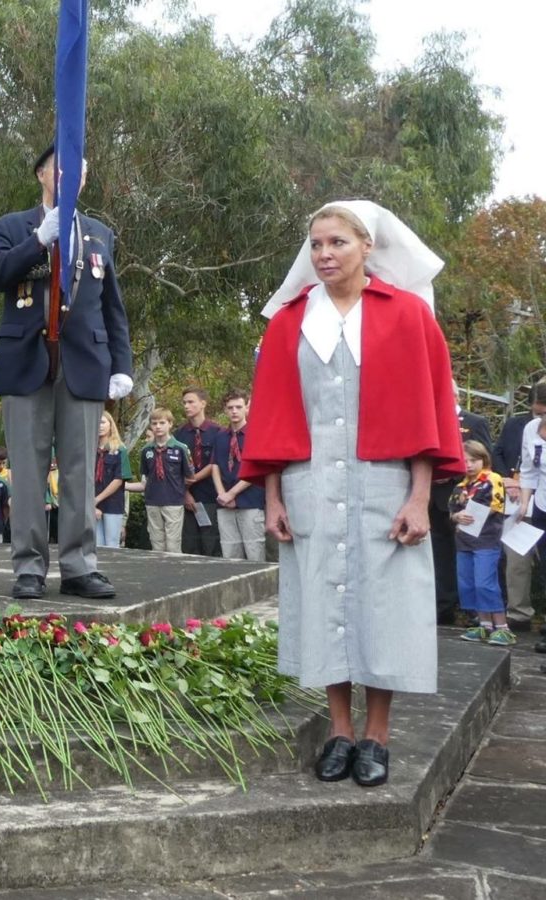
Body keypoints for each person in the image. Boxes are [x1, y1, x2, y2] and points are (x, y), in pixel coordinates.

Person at [242, 200, 461, 788]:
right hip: (311, 482)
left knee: (381, 607)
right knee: (325, 605)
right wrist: (273, 496)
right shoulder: (289, 321)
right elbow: (272, 417)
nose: (323, 254)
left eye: (336, 242)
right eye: (315, 245)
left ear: (368, 246)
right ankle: (340, 729)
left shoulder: (410, 315)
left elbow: (427, 411)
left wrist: (420, 497)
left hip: (384, 484)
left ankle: (377, 736)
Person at [0, 143, 132, 600]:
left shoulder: (99, 234)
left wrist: (122, 365)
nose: (73, 177)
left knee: (78, 470)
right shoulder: (13, 226)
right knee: (27, 470)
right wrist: (38, 241)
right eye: (63, 168)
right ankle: (28, 567)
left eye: (81, 171)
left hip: (84, 362)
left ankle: (79, 566)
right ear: (42, 175)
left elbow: (112, 308)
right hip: (27, 361)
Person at [427, 384, 494, 625]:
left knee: (467, 553)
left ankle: (473, 611)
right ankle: (443, 607)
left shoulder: (474, 422)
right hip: (433, 499)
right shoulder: (429, 419)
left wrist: (455, 477)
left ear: (454, 395)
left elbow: (486, 462)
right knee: (440, 555)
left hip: (465, 499)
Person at [495, 380, 546, 635]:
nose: (541, 417)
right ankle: (519, 614)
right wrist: (515, 489)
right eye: (538, 412)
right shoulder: (522, 426)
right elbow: (507, 458)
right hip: (527, 502)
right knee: (519, 560)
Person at [451, 441, 509, 645]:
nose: (468, 465)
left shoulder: (493, 479)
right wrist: (457, 516)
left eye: (473, 460)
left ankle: (501, 627)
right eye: (464, 461)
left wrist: (471, 515)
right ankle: (483, 624)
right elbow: (452, 509)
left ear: (483, 459)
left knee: (485, 582)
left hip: (486, 540)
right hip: (464, 541)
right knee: (467, 583)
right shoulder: (460, 485)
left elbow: (496, 505)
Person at [211, 390, 267, 562]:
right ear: (225, 410)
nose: (234, 411)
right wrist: (222, 494)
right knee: (230, 552)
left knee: (254, 551)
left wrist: (232, 493)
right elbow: (215, 466)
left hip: (250, 501)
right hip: (224, 504)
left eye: (238, 407)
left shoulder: (256, 433)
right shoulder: (221, 436)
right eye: (230, 407)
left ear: (247, 408)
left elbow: (258, 468)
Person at [135, 408, 193, 553]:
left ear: (170, 424)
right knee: (156, 543)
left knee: (173, 544)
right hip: (153, 501)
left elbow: (190, 476)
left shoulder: (180, 448)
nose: (158, 427)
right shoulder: (146, 450)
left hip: (173, 501)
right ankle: (158, 573)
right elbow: (145, 476)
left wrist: (180, 490)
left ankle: (174, 574)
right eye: (154, 423)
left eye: (162, 423)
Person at [176, 387, 224, 556]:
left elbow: (215, 463)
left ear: (203, 404)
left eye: (191, 402)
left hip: (210, 495)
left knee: (210, 541)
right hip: (187, 496)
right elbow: (175, 468)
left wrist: (193, 478)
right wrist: (185, 493)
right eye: (184, 403)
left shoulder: (217, 432)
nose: (186, 406)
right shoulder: (179, 434)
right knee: (189, 543)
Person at [93, 411, 129, 549]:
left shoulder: (120, 450)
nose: (99, 426)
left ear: (110, 425)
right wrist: (93, 503)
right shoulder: (90, 450)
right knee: (96, 544)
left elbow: (119, 479)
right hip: (92, 502)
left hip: (112, 504)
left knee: (112, 544)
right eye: (97, 422)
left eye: (103, 422)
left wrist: (97, 499)